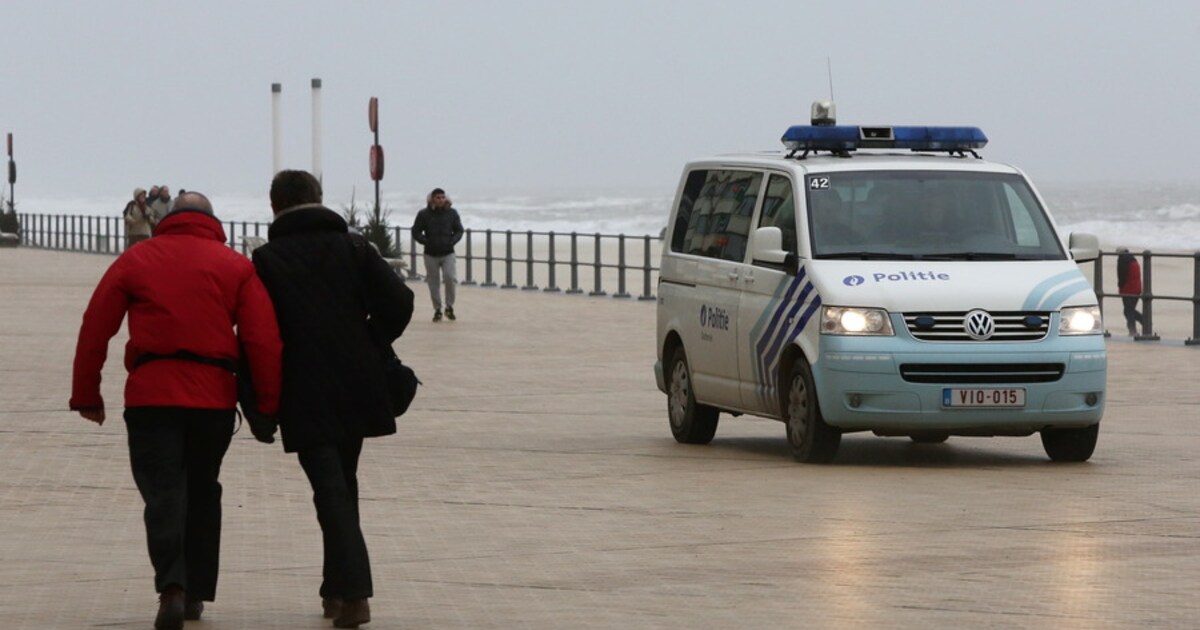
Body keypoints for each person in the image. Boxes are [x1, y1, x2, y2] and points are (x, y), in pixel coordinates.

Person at [69, 192, 283, 630]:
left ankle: (172, 586)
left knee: (164, 493)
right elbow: (263, 340)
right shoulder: (236, 266)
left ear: (170, 218)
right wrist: (267, 403)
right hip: (213, 399)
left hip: (151, 396)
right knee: (203, 488)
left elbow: (96, 325)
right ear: (212, 221)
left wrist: (86, 393)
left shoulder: (137, 259)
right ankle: (197, 592)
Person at [252, 170, 414, 628]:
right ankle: (335, 589)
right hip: (357, 383)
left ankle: (356, 595)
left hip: (303, 388)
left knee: (330, 488)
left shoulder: (267, 260)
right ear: (319, 198)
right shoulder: (356, 248)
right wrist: (370, 339)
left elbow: (259, 336)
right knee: (342, 482)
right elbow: (400, 302)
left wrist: (260, 401)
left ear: (275, 207)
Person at [411, 187, 463, 321]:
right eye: (438, 197)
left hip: (448, 253)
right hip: (430, 254)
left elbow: (459, 230)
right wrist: (426, 241)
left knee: (450, 278)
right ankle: (437, 309)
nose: (441, 200)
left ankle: (449, 306)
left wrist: (452, 241)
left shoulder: (452, 213)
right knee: (433, 283)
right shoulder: (423, 214)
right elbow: (415, 231)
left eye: (443, 197)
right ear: (432, 199)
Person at [1117, 247, 1145, 337]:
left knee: (1128, 311)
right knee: (1129, 310)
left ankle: (1133, 331)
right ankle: (1145, 322)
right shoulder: (1133, 259)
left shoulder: (1122, 260)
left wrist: (1120, 288)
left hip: (1128, 289)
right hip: (1137, 289)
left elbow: (1122, 276)